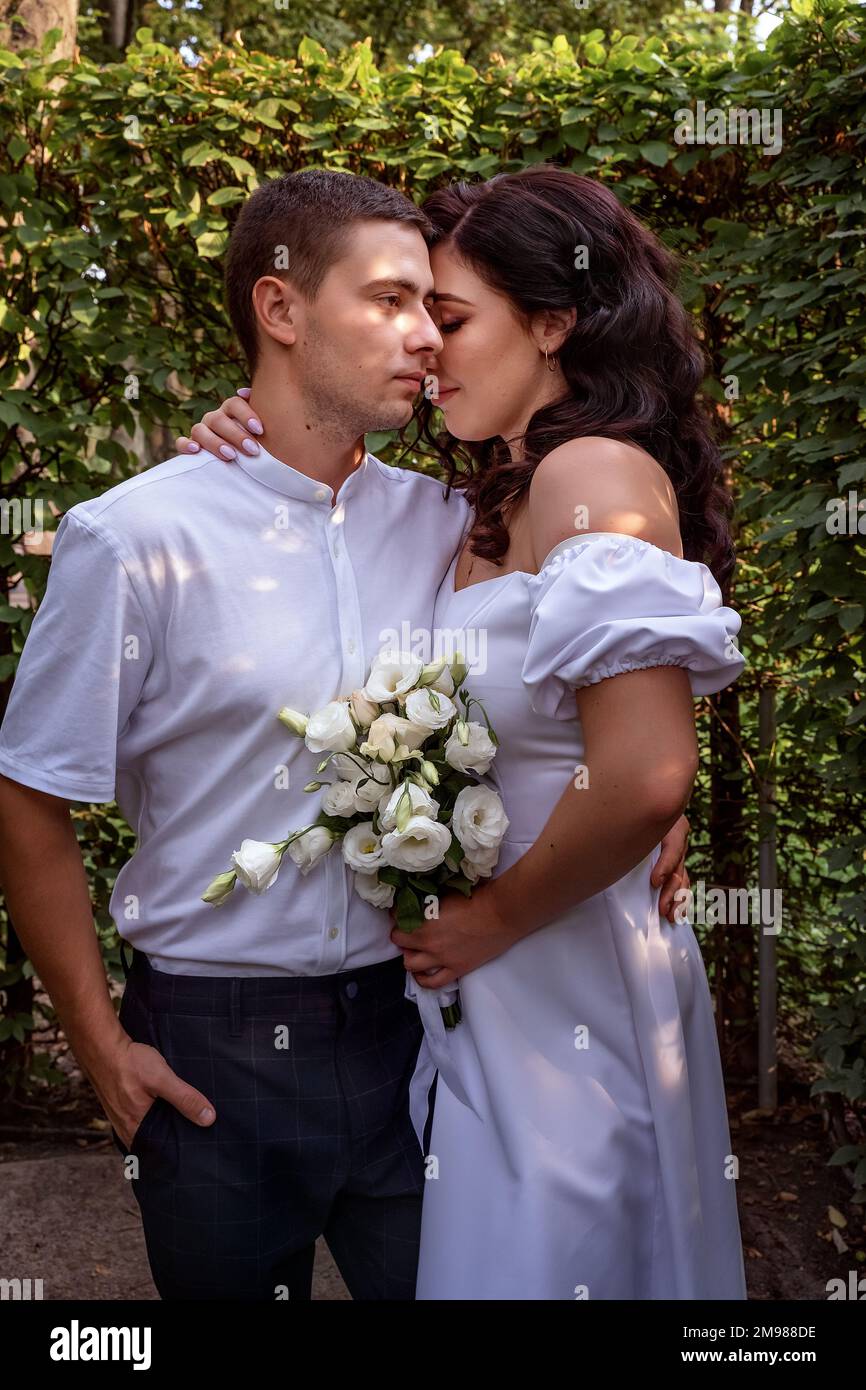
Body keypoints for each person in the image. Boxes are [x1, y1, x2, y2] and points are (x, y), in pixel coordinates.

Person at [0, 165, 692, 1301]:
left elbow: (588, 664)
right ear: (279, 310)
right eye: (389, 302)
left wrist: (646, 800)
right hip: (208, 1045)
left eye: (436, 307)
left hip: (420, 1032)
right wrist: (97, 1044)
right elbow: (28, 789)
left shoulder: (449, 519)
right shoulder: (132, 539)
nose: (423, 336)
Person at [178, 165, 747, 1299]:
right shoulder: (487, 493)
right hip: (486, 996)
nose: (426, 349)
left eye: (448, 318)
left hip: (564, 975)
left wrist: (490, 921)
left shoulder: (591, 472)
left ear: (552, 322)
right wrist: (248, 428)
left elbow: (643, 769)